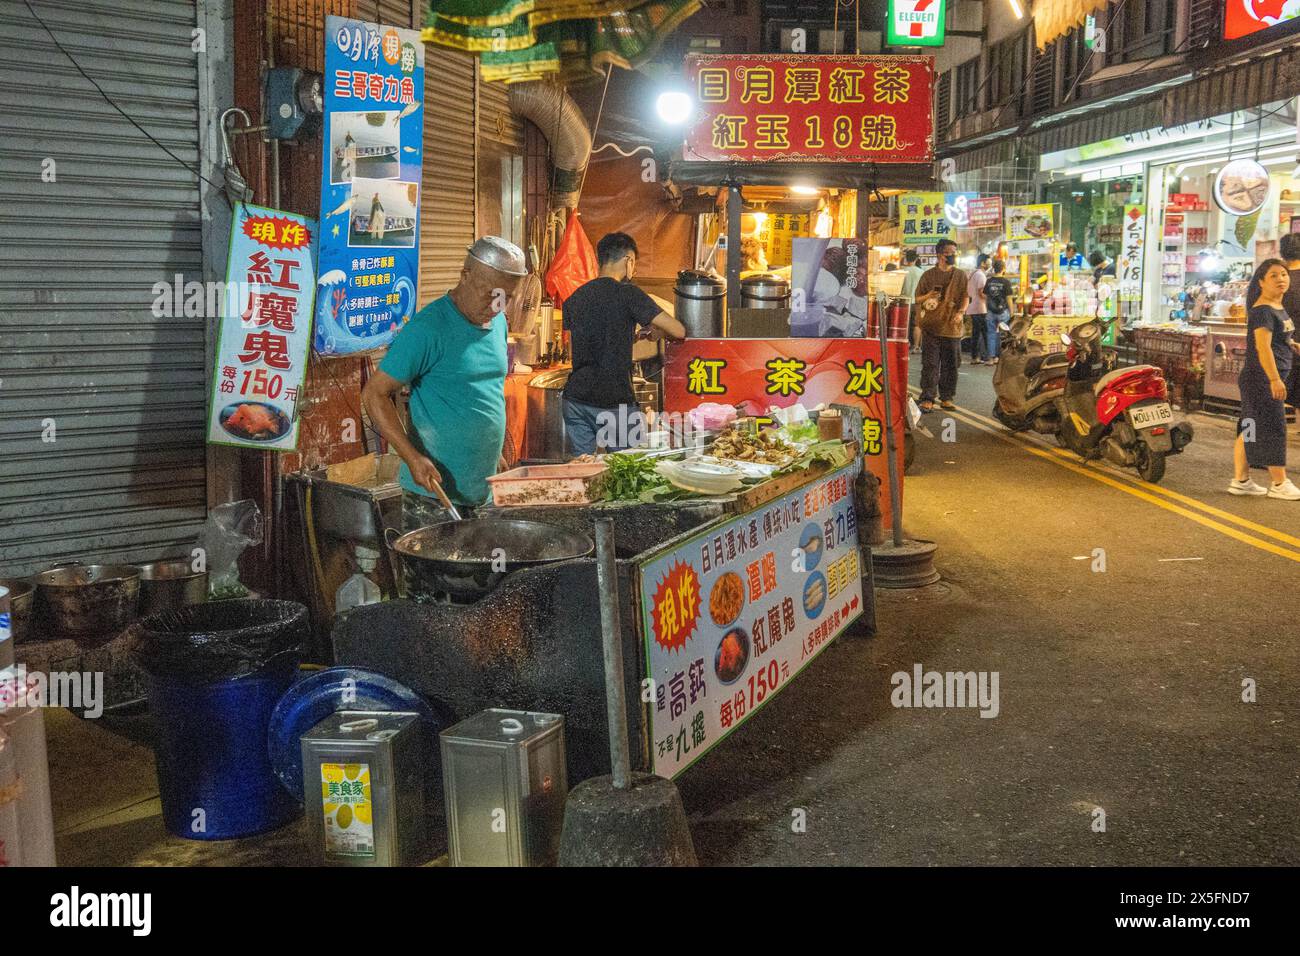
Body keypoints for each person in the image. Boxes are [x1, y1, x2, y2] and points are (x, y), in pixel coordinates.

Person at [362, 236, 527, 529]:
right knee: (436, 574)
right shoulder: (427, 329)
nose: (496, 305)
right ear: (465, 276)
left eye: (506, 297)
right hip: (434, 497)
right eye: (489, 294)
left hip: (484, 490)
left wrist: (495, 450)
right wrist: (411, 457)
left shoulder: (498, 322)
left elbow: (484, 388)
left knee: (483, 573)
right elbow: (375, 394)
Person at [562, 232, 686, 455]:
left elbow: (589, 338)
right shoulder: (628, 293)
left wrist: (633, 335)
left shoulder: (575, 297)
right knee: (627, 471)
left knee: (582, 471)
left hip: (576, 401)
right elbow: (678, 330)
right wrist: (657, 332)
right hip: (615, 402)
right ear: (628, 261)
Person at [1228, 259, 1299, 500]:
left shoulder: (1275, 306)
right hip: (1262, 380)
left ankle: (1241, 480)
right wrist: (1274, 379)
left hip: (1260, 379)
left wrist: (1292, 345)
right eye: (1273, 276)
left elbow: (1278, 339)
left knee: (1250, 426)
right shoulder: (1263, 311)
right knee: (1273, 428)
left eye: (1283, 274)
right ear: (1261, 282)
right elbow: (1262, 348)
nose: (1281, 279)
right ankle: (1279, 483)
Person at [914, 237, 969, 412]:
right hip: (931, 327)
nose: (952, 256)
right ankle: (927, 398)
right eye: (948, 253)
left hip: (952, 328)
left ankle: (947, 397)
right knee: (930, 364)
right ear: (939, 255)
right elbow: (917, 298)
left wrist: (960, 312)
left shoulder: (960, 275)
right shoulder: (928, 275)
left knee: (951, 364)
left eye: (954, 253)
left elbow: (965, 297)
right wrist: (929, 294)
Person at [982, 258, 1015, 364]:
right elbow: (1009, 299)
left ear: (994, 268)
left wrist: (988, 309)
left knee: (991, 334)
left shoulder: (989, 281)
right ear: (1003, 269)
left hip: (991, 312)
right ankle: (999, 357)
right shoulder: (1006, 282)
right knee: (1003, 335)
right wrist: (1012, 312)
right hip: (1003, 312)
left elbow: (986, 297)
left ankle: (991, 358)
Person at [966, 253, 991, 364]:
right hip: (980, 308)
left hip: (973, 307)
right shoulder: (981, 275)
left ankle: (975, 357)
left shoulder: (973, 273)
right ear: (982, 263)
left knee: (976, 333)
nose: (989, 264)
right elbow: (981, 292)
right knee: (986, 333)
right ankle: (987, 357)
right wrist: (991, 298)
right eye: (988, 262)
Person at [899, 249, 925, 353]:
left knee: (904, 324)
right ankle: (916, 346)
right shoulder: (921, 272)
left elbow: (899, 288)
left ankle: (905, 344)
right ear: (916, 259)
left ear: (906, 259)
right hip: (917, 302)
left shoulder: (902, 271)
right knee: (917, 325)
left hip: (904, 301)